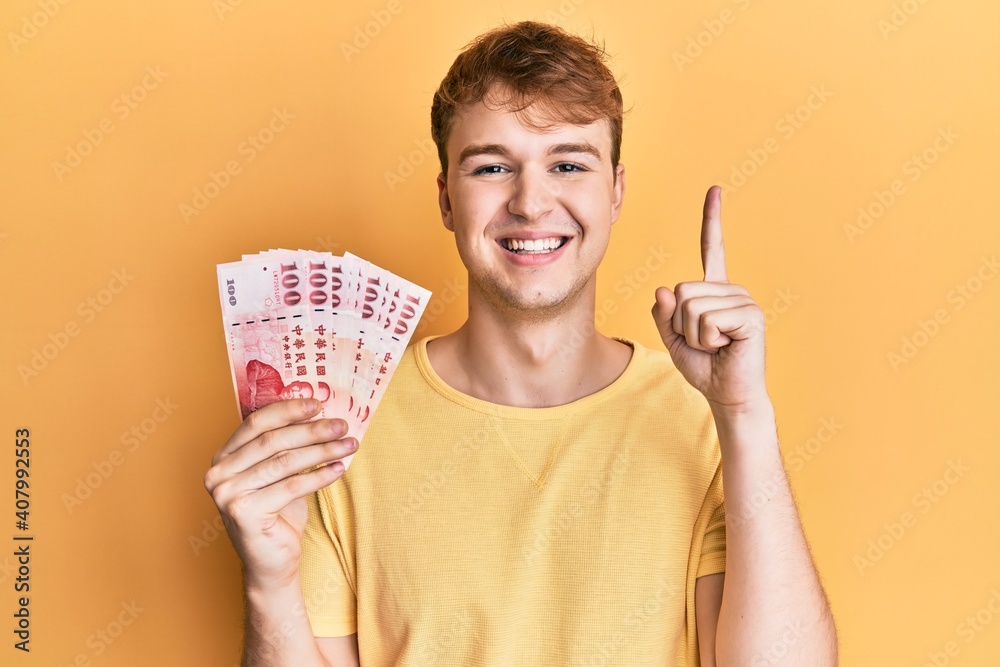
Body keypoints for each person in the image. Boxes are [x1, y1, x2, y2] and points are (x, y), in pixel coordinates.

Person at [204, 20, 839, 667]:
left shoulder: (702, 422)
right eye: (492, 166)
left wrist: (744, 416)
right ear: (447, 198)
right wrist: (270, 585)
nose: (532, 202)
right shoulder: (340, 427)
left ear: (615, 192)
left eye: (567, 163)